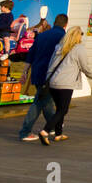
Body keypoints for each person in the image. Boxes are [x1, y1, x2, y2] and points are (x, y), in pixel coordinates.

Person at [17, 13, 67, 143]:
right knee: (39, 102)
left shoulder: (42, 35)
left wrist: (24, 72)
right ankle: (25, 132)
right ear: (65, 24)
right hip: (51, 75)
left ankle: (53, 128)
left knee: (46, 101)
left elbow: (30, 55)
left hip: (37, 72)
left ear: (54, 22)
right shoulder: (64, 37)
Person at [42, 26, 92, 144]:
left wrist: (48, 80)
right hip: (66, 83)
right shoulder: (79, 49)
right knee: (63, 109)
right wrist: (91, 75)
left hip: (53, 82)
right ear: (78, 35)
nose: (82, 36)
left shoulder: (59, 47)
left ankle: (58, 134)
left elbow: (51, 64)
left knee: (60, 108)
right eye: (81, 34)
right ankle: (45, 131)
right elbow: (84, 66)